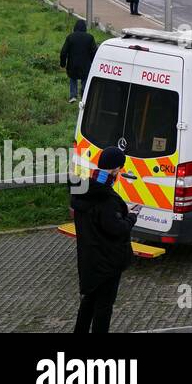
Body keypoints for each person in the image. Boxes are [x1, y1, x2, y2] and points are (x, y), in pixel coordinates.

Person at [71, 147, 133, 333]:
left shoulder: (82, 191)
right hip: (108, 261)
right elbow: (117, 229)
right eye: (120, 168)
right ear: (115, 170)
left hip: (89, 258)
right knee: (104, 307)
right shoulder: (107, 199)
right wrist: (131, 217)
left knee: (89, 301)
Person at [59, 19, 96, 104]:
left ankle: (73, 96)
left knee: (73, 78)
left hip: (72, 64)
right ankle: (84, 95)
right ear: (85, 28)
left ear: (75, 27)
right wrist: (93, 63)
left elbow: (63, 52)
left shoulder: (70, 37)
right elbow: (94, 52)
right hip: (85, 65)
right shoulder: (90, 38)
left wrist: (63, 64)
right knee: (85, 79)